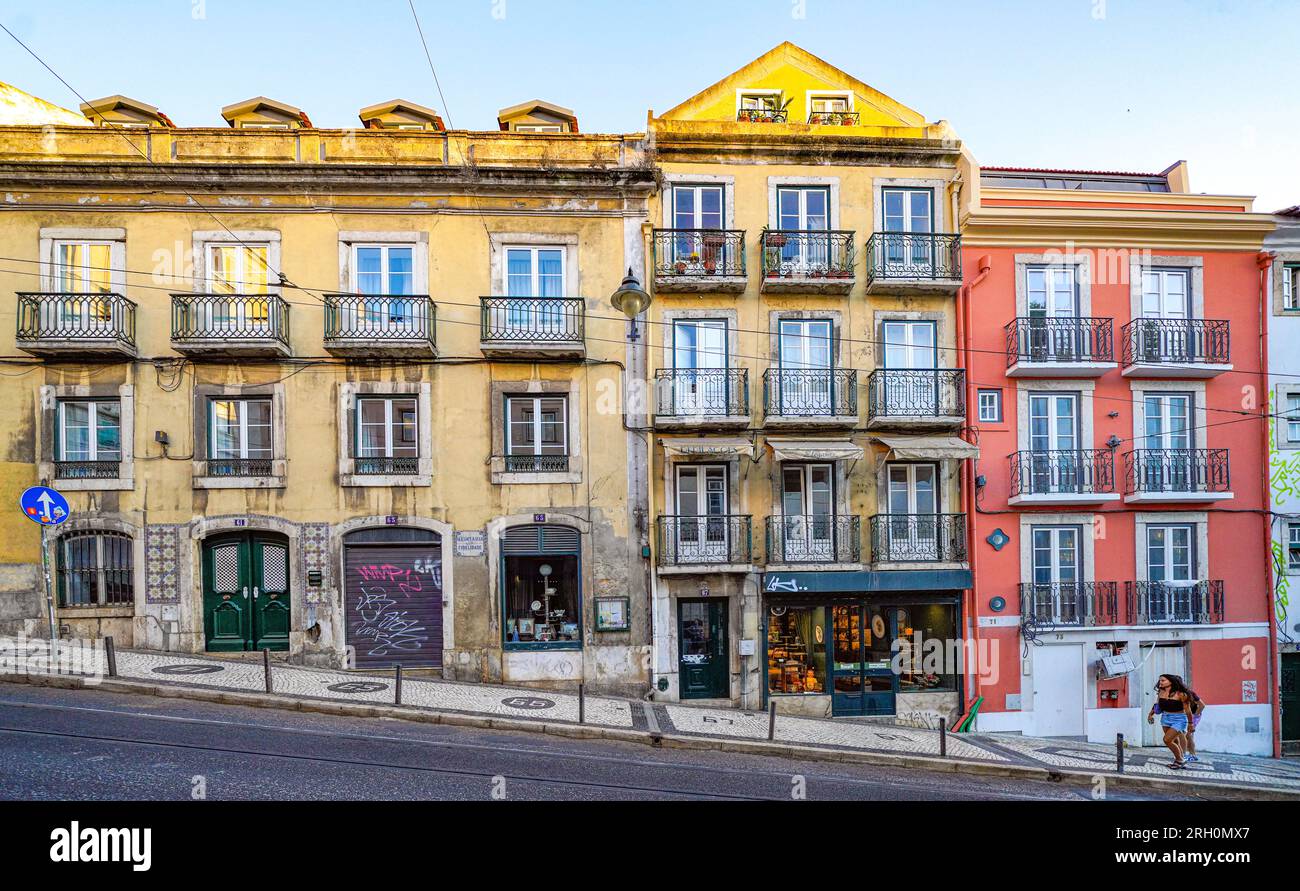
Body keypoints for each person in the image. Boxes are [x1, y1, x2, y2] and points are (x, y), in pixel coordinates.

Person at [1147, 673, 1194, 769]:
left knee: (1167, 740)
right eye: (1160, 680)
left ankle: (1180, 760)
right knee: (1174, 741)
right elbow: (1157, 705)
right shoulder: (1161, 692)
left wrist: (1190, 724)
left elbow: (1188, 710)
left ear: (1171, 682)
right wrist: (1150, 714)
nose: (1161, 682)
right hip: (1165, 717)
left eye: (1163, 680)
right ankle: (1180, 760)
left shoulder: (1181, 694)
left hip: (1179, 719)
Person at [1183, 684, 1205, 763]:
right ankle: (1184, 754)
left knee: (1188, 735)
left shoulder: (1191, 693)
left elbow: (1202, 705)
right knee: (1184, 736)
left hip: (1194, 716)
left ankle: (1193, 755)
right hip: (1185, 716)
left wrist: (1195, 715)